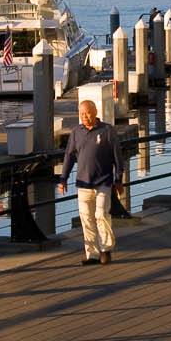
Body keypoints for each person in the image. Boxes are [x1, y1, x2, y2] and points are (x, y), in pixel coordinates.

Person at [60, 97, 124, 264]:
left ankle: (106, 248)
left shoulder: (107, 131)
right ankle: (92, 255)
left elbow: (118, 158)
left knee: (101, 214)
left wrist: (118, 179)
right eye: (81, 113)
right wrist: (63, 178)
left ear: (95, 112)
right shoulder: (76, 132)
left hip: (104, 181)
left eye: (88, 113)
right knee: (86, 218)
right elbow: (69, 155)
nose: (85, 116)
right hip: (83, 183)